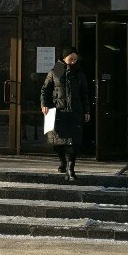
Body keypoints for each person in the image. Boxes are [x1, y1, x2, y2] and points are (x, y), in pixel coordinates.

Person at [40, 47, 90, 181]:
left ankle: (70, 169)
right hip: (57, 112)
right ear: (64, 58)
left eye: (75, 59)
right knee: (57, 142)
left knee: (73, 142)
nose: (73, 61)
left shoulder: (79, 72)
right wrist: (44, 104)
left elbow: (84, 93)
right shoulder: (56, 70)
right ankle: (63, 161)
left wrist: (87, 110)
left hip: (75, 112)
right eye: (70, 59)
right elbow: (45, 89)